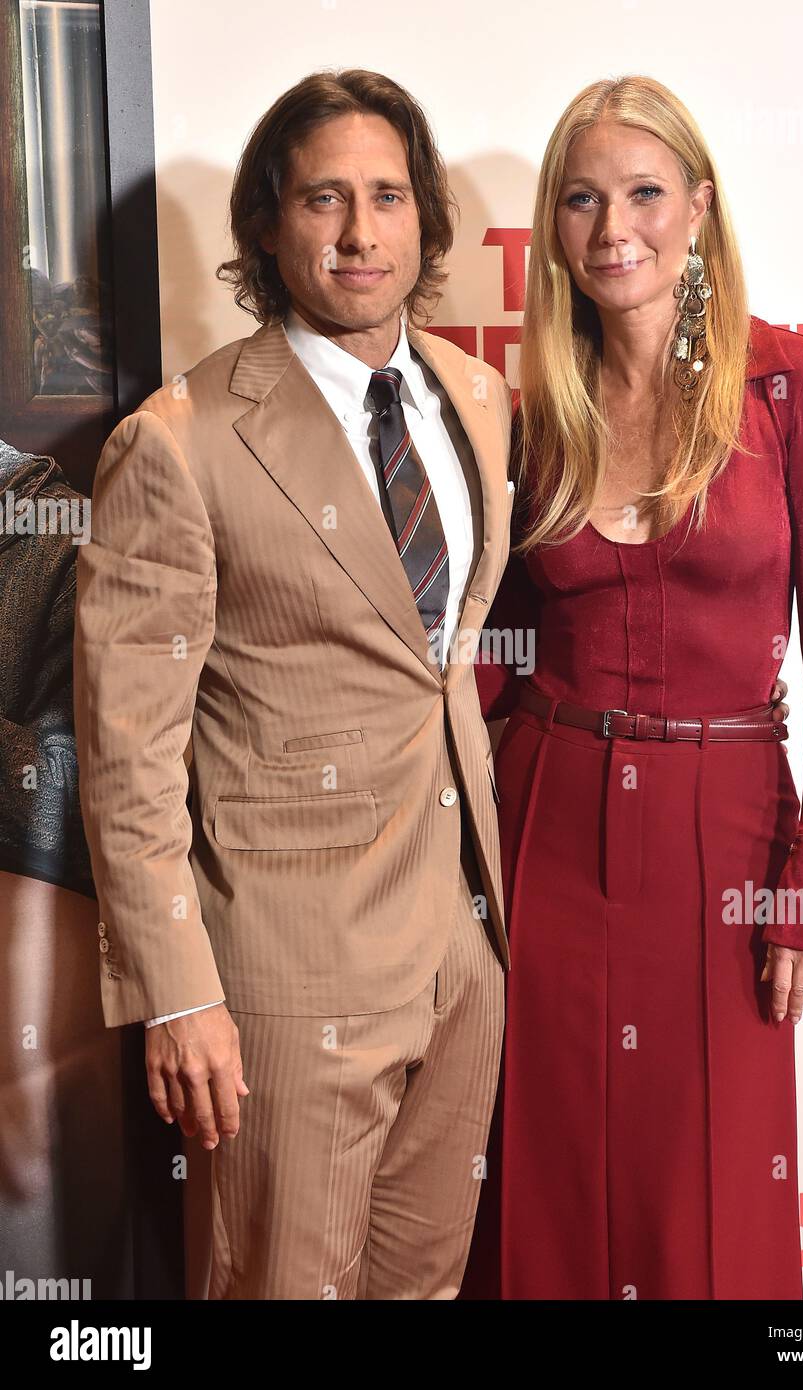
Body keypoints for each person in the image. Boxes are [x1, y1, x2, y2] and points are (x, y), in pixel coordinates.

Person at [73, 69, 515, 1300]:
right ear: (269, 224)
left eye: (387, 197)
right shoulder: (179, 440)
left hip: (462, 953)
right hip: (280, 978)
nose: (361, 233)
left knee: (421, 1286)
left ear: (425, 218)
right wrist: (177, 998)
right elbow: (127, 752)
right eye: (324, 199)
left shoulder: (477, 404)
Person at [462, 75, 803, 1300]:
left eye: (642, 193)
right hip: (551, 818)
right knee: (541, 1165)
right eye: (580, 200)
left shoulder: (792, 386)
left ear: (697, 208)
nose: (610, 229)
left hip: (729, 835)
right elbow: (501, 646)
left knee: (708, 1190)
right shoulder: (535, 414)